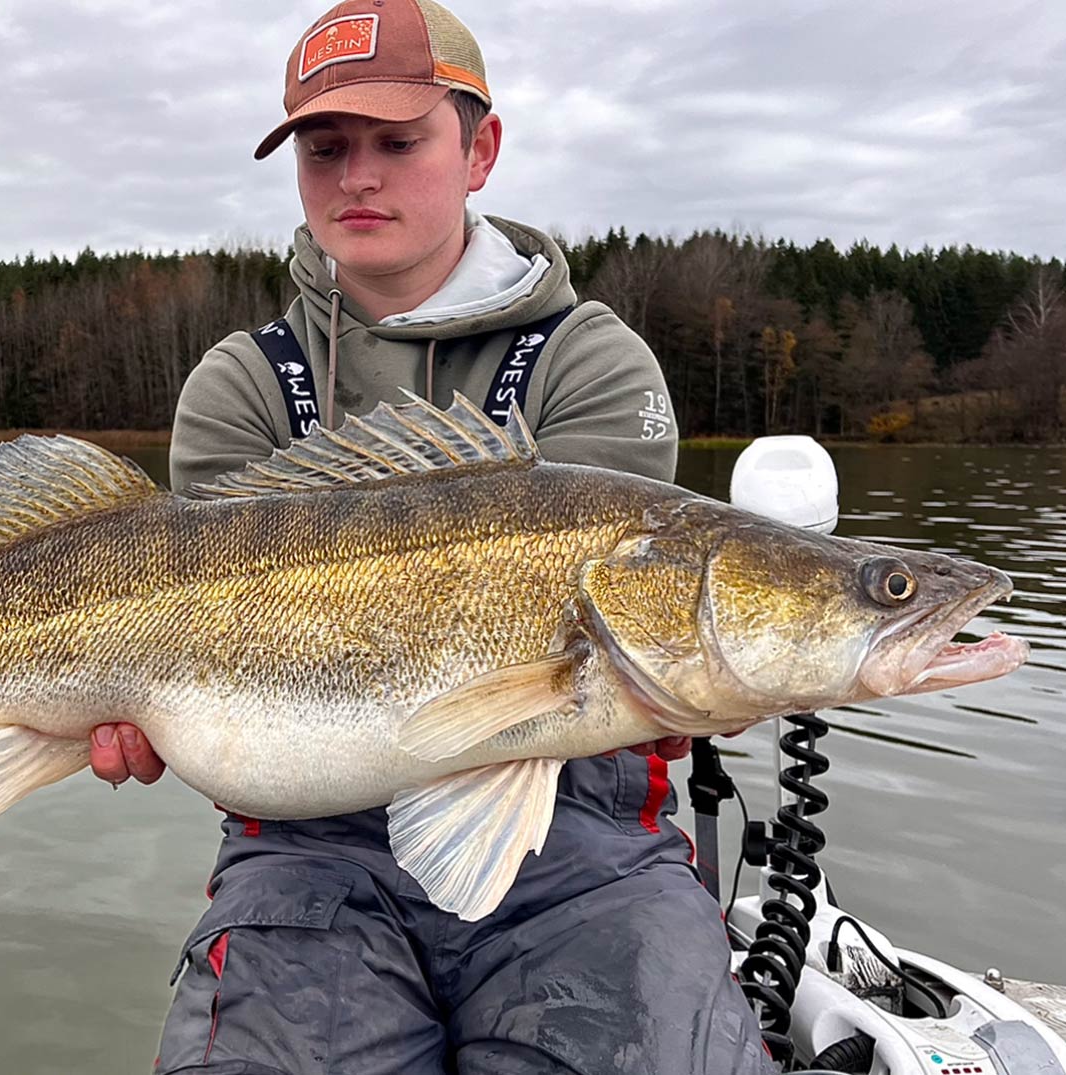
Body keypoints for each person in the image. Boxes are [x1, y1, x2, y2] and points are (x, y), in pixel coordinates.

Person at [93, 2, 775, 1071]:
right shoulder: (242, 382)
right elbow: (210, 652)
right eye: (326, 149)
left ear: (480, 151)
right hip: (311, 852)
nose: (358, 177)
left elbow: (623, 658)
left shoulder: (589, 360)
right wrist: (142, 712)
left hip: (580, 844)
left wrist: (705, 679)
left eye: (400, 142)